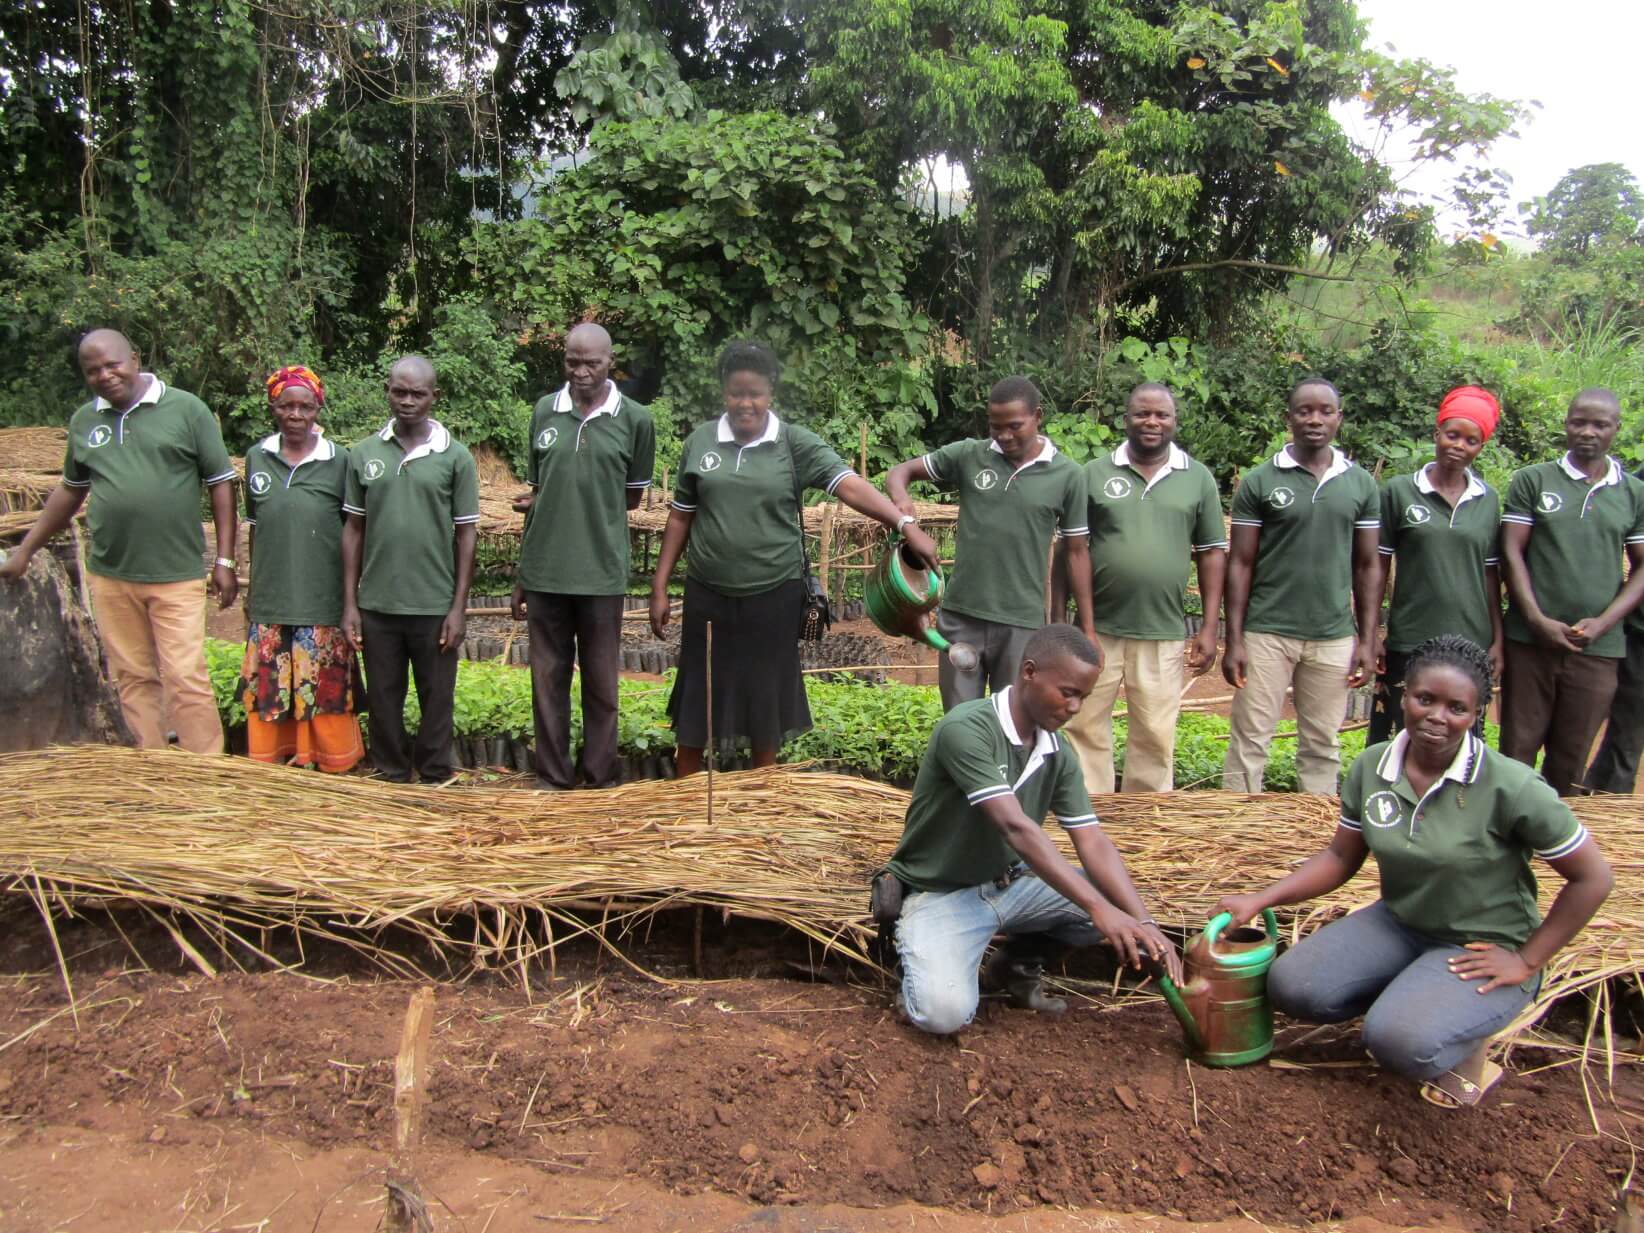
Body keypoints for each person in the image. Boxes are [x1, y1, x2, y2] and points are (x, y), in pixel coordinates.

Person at [1216, 635, 1612, 1108]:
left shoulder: (1512, 786)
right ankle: (1418, 998)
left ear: (1476, 713)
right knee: (1293, 986)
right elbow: (1340, 858)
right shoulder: (1374, 767)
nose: (1437, 716)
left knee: (1399, 1044)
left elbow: (1594, 878)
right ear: (1404, 696)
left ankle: (1465, 1042)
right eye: (1426, 699)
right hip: (1400, 922)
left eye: (1456, 708)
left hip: (1482, 944)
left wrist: (1526, 960)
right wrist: (1260, 899)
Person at [649, 340, 939, 776]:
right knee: (700, 690)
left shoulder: (793, 444)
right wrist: (659, 586)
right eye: (736, 393)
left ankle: (762, 791)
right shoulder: (700, 442)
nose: (745, 403)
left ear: (771, 392)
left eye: (755, 393)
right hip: (707, 594)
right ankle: (687, 791)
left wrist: (904, 524)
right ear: (723, 392)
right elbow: (680, 518)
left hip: (773, 594)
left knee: (764, 696)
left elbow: (849, 485)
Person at [882, 623, 1180, 1035]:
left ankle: (1016, 968)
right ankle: (914, 968)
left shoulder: (1057, 751)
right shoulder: (966, 729)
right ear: (1029, 672)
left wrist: (1144, 923)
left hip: (1010, 884)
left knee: (1117, 901)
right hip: (942, 892)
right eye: (1068, 692)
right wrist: (1099, 908)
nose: (1075, 707)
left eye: (1083, 697)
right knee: (942, 1014)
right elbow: (1015, 828)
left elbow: (1092, 840)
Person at [0, 329, 237, 753]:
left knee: (185, 677)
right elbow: (70, 490)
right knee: (132, 677)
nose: (105, 375)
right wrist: (26, 549)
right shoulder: (85, 421)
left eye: (113, 364)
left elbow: (220, 482)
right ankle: (150, 765)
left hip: (175, 574)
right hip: (111, 575)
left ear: (135, 358)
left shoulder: (186, 410)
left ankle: (206, 770)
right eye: (93, 370)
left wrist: (225, 561)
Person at [1055, 382, 1227, 793]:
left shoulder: (1197, 479)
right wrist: (1067, 625)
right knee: (1083, 724)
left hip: (1162, 630)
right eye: (1142, 414)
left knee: (1154, 732)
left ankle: (1145, 816)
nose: (1152, 422)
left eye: (1161, 415)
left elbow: (1210, 554)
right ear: (1125, 419)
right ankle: (1088, 810)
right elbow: (1070, 550)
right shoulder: (1093, 474)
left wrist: (1209, 627)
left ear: (1174, 421)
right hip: (1097, 631)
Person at [886, 378, 1095, 711]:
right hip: (961, 618)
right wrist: (904, 509)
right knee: (959, 718)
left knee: (1012, 718)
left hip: (1021, 623)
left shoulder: (1068, 476)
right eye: (995, 427)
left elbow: (1076, 552)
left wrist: (1086, 627)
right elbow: (899, 473)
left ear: (1038, 416)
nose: (1004, 436)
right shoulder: (970, 455)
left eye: (1015, 426)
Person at [512, 324, 655, 790]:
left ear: (610, 362)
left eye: (591, 362)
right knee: (547, 680)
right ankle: (553, 776)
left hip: (601, 572)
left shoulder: (635, 420)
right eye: (573, 362)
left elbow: (631, 497)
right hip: (545, 572)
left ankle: (599, 775)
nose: (581, 371)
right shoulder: (544, 411)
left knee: (601, 682)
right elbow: (539, 492)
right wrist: (523, 574)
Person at [1221, 378, 1379, 794]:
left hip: (1332, 636)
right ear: (1288, 418)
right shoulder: (1260, 481)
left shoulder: (1360, 484)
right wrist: (1234, 639)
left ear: (1339, 418)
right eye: (1304, 411)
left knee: (1322, 744)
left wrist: (1367, 638)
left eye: (1325, 411)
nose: (1314, 419)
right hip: (1267, 633)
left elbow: (1367, 566)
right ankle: (1236, 823)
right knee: (1250, 740)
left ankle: (1317, 826)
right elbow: (1240, 563)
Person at [341, 356, 479, 783]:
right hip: (378, 602)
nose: (407, 401)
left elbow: (466, 535)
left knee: (437, 697)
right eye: (399, 391)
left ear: (434, 396)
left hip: (434, 603)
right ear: (387, 391)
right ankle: (391, 771)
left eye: (417, 393)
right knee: (384, 697)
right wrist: (350, 603)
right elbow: (353, 529)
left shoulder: (455, 458)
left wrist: (458, 607)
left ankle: (436, 773)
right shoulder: (364, 454)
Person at [1499, 388, 1644, 796]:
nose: (1588, 432)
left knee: (1570, 759)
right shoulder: (1533, 480)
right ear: (1566, 424)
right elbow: (1511, 551)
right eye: (1579, 422)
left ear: (1616, 429)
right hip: (1529, 643)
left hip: (1597, 650)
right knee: (1517, 751)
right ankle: (1507, 829)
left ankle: (1556, 831)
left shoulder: (1633, 493)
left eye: (1600, 424)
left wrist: (1603, 623)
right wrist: (1535, 618)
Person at [236, 365, 364, 773]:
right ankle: (275, 762)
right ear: (273, 407)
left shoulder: (340, 461)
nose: (295, 415)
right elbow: (256, 527)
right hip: (272, 598)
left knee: (323, 687)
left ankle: (329, 763)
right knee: (271, 685)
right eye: (285, 406)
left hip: (322, 598)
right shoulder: (257, 457)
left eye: (305, 406)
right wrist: (255, 589)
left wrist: (350, 599)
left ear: (317, 409)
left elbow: (354, 531)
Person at [1370, 387, 1504, 743]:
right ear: (1436, 433)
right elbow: (1376, 568)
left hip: (1470, 641)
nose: (1459, 445)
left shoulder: (1488, 501)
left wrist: (1498, 639)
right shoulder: (1399, 492)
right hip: (1411, 636)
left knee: (1460, 738)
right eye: (1452, 435)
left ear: (1481, 447)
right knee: (1404, 734)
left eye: (1471, 440)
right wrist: (1372, 634)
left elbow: (1490, 574)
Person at [1585, 468, 1644, 794]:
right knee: (1626, 721)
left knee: (1630, 727)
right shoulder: (1631, 486)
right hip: (1634, 627)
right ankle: (1605, 796)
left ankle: (1602, 794)